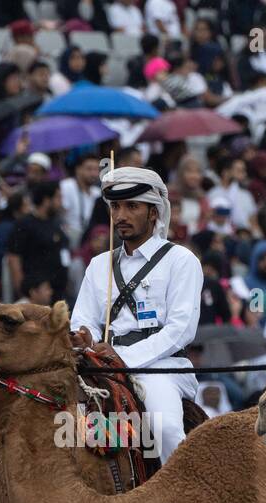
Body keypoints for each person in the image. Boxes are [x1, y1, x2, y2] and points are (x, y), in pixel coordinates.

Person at [69, 166, 201, 463]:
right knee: (61, 426)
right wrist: (83, 339)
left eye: (132, 206)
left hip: (161, 367)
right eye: (115, 207)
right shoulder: (98, 265)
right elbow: (82, 319)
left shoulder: (181, 260)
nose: (121, 215)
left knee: (164, 429)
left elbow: (181, 329)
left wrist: (122, 358)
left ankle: (181, 501)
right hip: (100, 363)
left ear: (153, 213)